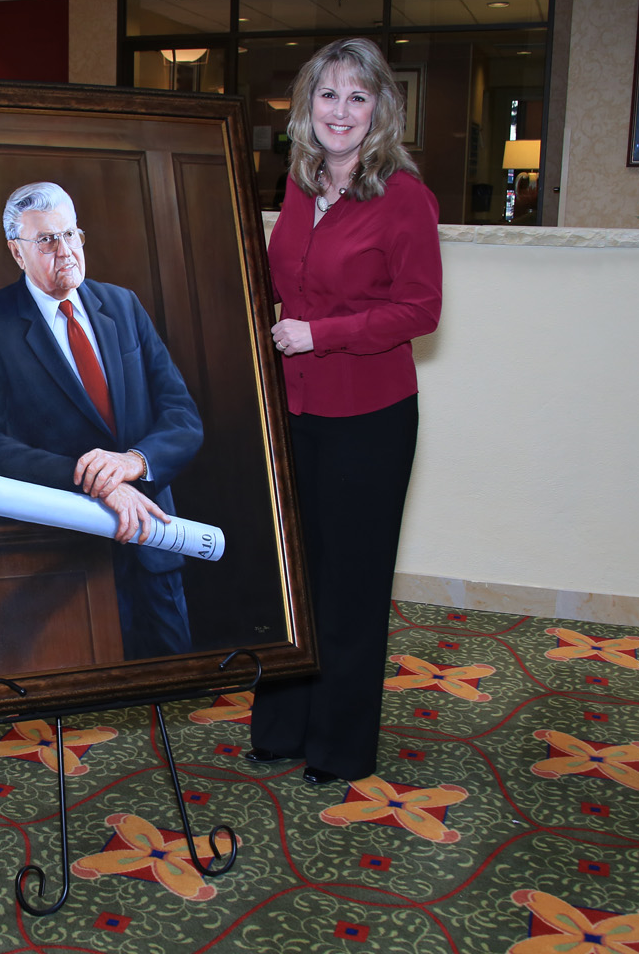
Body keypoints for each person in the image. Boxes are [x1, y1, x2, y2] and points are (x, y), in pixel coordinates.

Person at [246, 38, 442, 785]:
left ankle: (340, 746)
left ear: (380, 110)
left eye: (357, 97)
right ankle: (282, 727)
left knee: (351, 588)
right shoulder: (299, 186)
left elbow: (421, 310)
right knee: (293, 574)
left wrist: (320, 333)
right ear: (307, 107)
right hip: (292, 409)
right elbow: (273, 277)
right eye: (328, 95)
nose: (340, 111)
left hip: (370, 416)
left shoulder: (404, 197)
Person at [0, 181, 204, 660]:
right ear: (16, 251)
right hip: (62, 553)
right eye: (46, 239)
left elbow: (182, 417)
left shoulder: (123, 305)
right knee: (89, 708)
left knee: (175, 693)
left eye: (71, 235)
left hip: (152, 537)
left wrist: (133, 462)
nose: (64, 250)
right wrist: (90, 477)